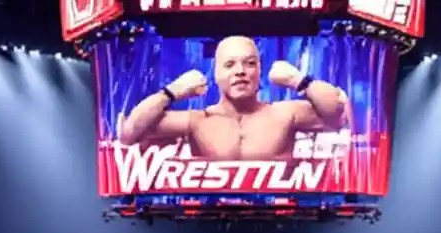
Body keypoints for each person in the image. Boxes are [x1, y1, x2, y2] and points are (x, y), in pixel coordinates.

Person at [117, 35, 346, 160]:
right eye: (229, 64)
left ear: (259, 72)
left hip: (279, 217)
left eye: (249, 63)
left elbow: (337, 114)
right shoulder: (198, 121)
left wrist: (299, 80)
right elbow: (129, 133)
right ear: (216, 74)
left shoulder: (285, 114)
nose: (240, 71)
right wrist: (172, 92)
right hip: (208, 221)